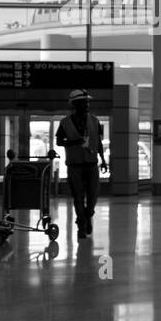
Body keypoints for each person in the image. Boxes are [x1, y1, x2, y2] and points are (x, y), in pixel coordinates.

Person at [56, 89, 108, 239]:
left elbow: (98, 142)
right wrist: (73, 142)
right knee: (78, 196)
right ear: (75, 104)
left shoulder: (94, 120)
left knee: (93, 195)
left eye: (88, 102)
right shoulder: (65, 123)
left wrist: (103, 160)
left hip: (91, 163)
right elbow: (59, 141)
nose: (87, 104)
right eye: (84, 102)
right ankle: (81, 226)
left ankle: (88, 215)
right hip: (74, 164)